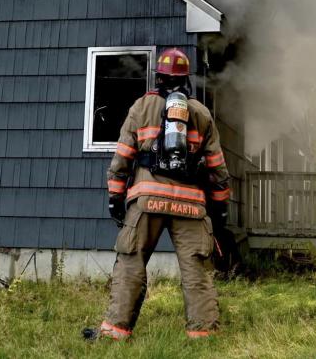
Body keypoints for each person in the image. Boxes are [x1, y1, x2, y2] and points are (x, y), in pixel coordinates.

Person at [98, 47, 231, 340]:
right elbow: (217, 170)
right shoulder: (200, 113)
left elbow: (122, 159)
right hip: (191, 206)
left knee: (131, 260)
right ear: (187, 78)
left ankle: (116, 330)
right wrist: (220, 208)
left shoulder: (141, 108)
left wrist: (116, 198)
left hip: (146, 200)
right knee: (196, 268)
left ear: (158, 77)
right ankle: (203, 334)